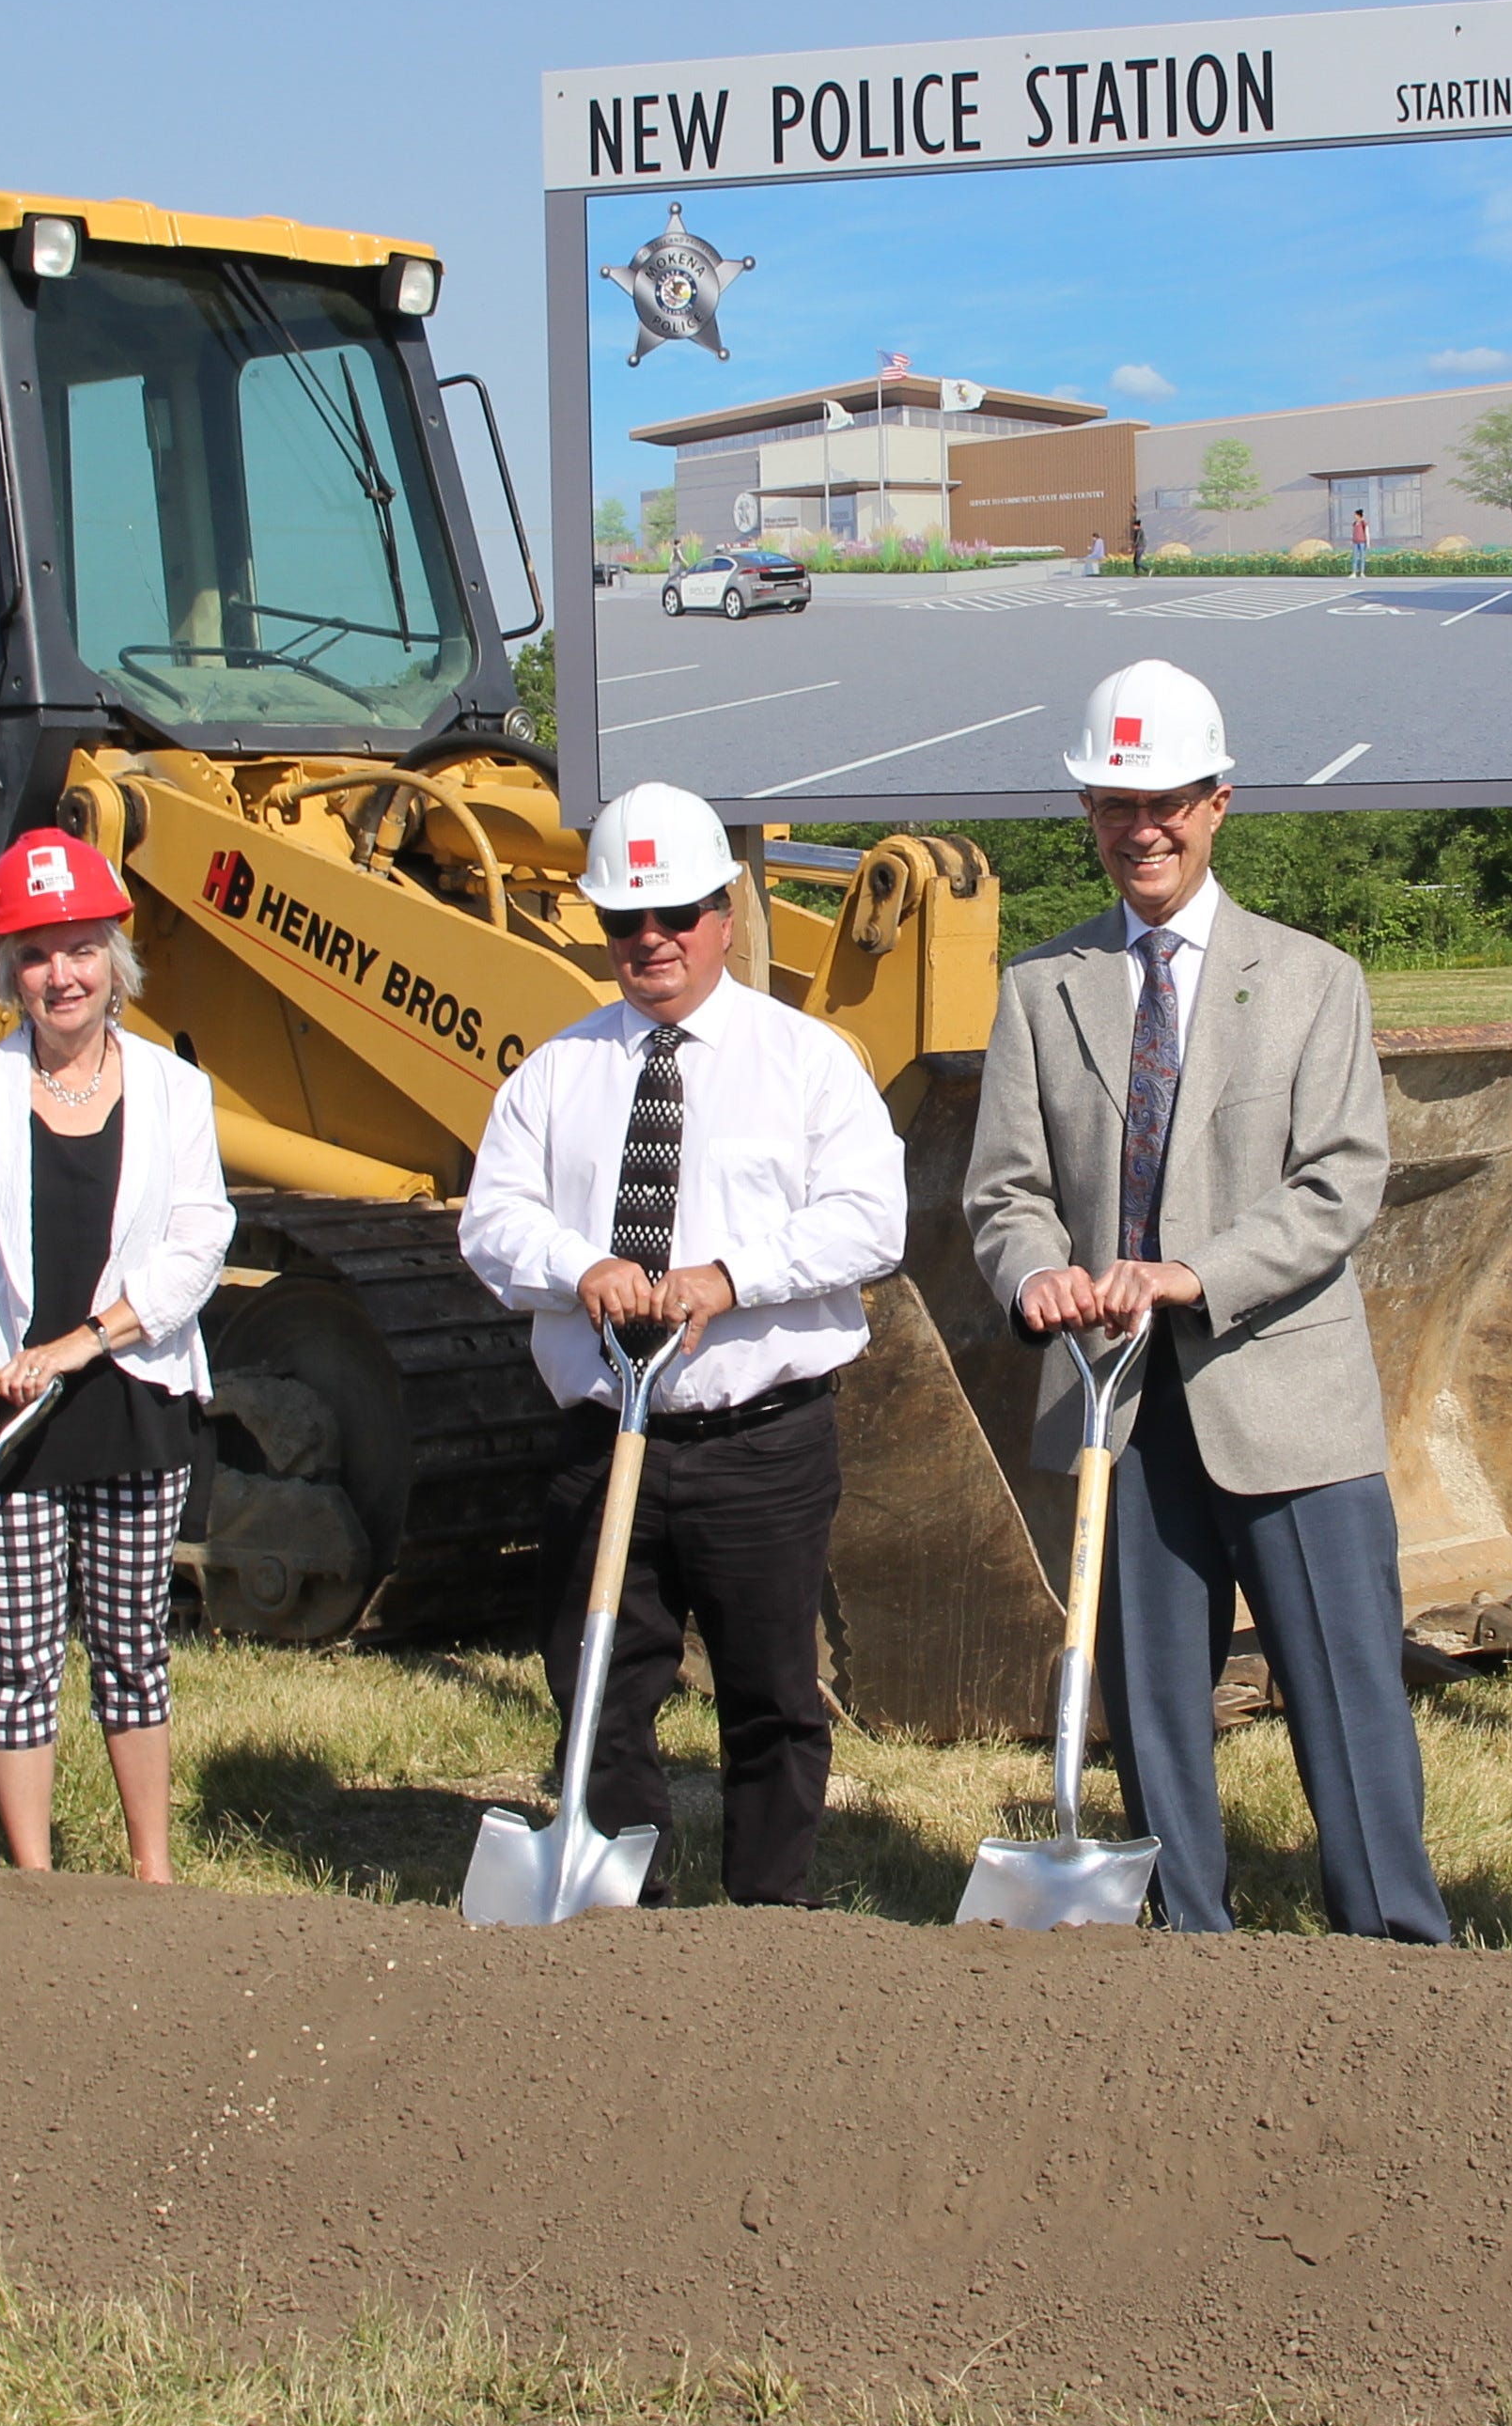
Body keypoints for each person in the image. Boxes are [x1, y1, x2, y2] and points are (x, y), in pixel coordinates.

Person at [963, 662, 1449, 1944]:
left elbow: (1340, 1182)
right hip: (1117, 1402)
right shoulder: (1041, 989)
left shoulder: (1313, 979)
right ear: (1088, 812)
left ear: (1218, 803)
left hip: (1284, 1391)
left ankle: (1395, 1938)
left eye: (1168, 802)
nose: (1145, 830)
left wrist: (1195, 1276)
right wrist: (1036, 1275)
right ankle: (1188, 1935)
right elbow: (1005, 1192)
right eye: (1118, 805)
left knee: (1344, 1688)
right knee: (1153, 1700)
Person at [459, 780, 905, 1905]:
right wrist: (580, 1266)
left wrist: (732, 1278)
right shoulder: (557, 1073)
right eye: (626, 918)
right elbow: (491, 1223)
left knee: (772, 1695)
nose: (651, 939)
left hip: (762, 1443)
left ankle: (768, 1916)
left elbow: (870, 1221)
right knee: (597, 1685)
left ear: (725, 914)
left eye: (677, 915)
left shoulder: (807, 1062)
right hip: (605, 1436)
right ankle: (629, 1911)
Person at [0, 830, 233, 1882]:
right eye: (37, 955)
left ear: (114, 959)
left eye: (81, 949)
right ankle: (33, 1884)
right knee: (18, 1654)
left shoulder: (175, 1091)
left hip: (130, 1398)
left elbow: (199, 1244)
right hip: (8, 1418)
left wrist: (86, 1342)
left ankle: (151, 1873)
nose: (62, 975)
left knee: (133, 1645)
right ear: (12, 972)